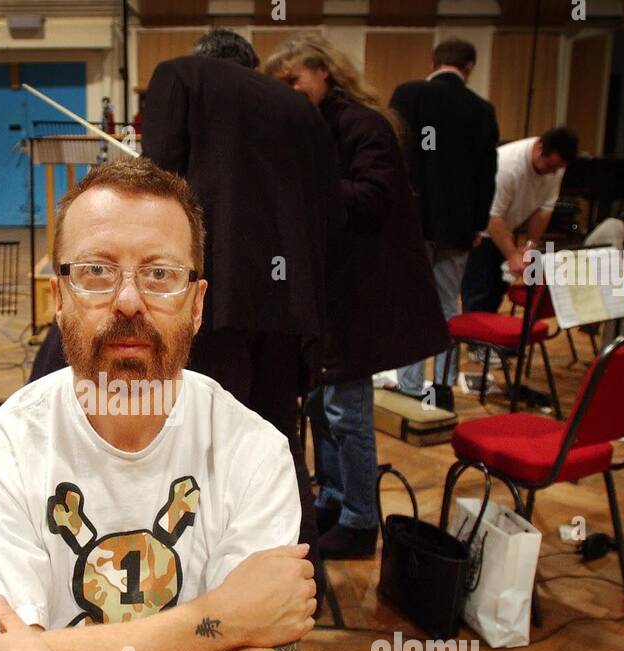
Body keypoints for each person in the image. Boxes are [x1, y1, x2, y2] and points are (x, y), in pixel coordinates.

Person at [0, 158, 349, 651]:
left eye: (160, 274)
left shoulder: (255, 449)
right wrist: (219, 620)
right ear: (58, 296)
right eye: (97, 272)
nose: (128, 300)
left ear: (198, 303)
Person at [141, 28, 345, 598]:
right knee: (279, 442)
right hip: (288, 308)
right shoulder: (297, 107)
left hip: (215, 296)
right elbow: (328, 209)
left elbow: (157, 189)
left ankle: (211, 590)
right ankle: (303, 582)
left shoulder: (180, 76)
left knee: (204, 445)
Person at [264, 36, 447, 560]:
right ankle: (335, 500)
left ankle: (362, 520)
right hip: (336, 290)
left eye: (295, 81)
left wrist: (304, 193)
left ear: (324, 72)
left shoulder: (363, 124)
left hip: (365, 291)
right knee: (323, 403)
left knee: (347, 409)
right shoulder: (319, 125)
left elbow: (373, 198)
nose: (290, 93)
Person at [388, 38, 499, 409]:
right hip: (458, 225)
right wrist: (479, 225)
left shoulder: (408, 94)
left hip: (413, 222)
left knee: (410, 303)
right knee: (448, 304)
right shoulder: (481, 109)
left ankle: (409, 386)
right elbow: (488, 174)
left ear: (434, 61)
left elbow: (393, 157)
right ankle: (444, 385)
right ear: (468, 67)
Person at [461, 127, 579, 316]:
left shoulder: (556, 166)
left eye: (557, 169)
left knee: (498, 288)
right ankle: (475, 340)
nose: (553, 173)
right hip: (478, 226)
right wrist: (512, 255)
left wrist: (530, 245)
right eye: (550, 166)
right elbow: (492, 217)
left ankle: (489, 340)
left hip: (503, 225)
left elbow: (544, 209)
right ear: (539, 148)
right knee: (479, 290)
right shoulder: (507, 166)